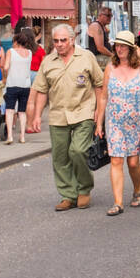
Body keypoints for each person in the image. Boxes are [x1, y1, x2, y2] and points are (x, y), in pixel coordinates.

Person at [29, 24, 104, 210]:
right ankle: (68, 194)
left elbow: (99, 84)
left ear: (72, 40)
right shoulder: (48, 61)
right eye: (56, 41)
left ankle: (84, 189)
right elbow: (41, 90)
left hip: (83, 112)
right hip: (58, 115)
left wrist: (99, 110)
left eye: (63, 40)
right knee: (60, 158)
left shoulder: (86, 57)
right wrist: (37, 116)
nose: (60, 44)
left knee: (78, 151)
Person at [95, 30, 140, 215]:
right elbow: (104, 96)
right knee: (115, 161)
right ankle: (118, 202)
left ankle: (137, 189)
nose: (119, 49)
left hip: (135, 122)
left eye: (123, 46)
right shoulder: (110, 68)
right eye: (117, 45)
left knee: (133, 163)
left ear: (131, 48)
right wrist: (99, 121)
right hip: (114, 123)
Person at [2, 26, 34, 143]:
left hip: (12, 84)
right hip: (25, 85)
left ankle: (10, 136)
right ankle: (22, 136)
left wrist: (6, 72)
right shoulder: (29, 53)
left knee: (10, 110)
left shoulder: (10, 52)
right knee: (22, 111)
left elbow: (5, 67)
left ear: (16, 41)